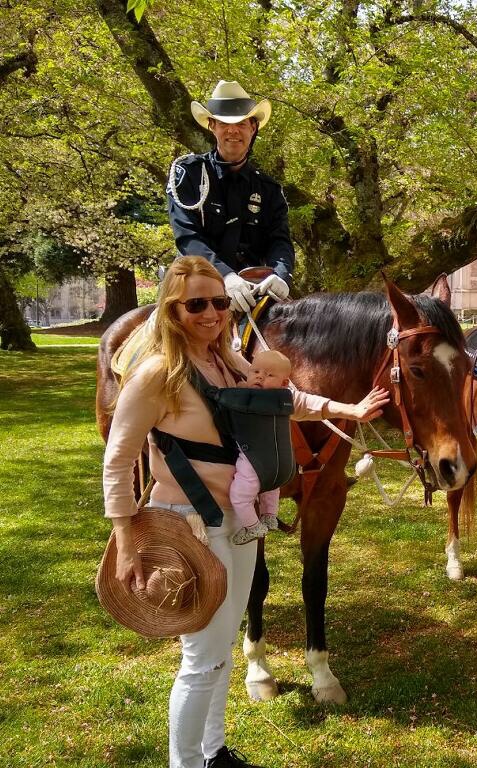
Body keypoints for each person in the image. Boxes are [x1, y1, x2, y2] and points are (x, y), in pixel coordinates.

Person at [103, 256, 389, 768]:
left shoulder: (228, 361)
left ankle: (214, 752)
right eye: (196, 304)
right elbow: (118, 460)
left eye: (218, 302)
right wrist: (126, 542)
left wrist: (349, 410)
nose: (211, 313)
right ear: (173, 308)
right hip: (189, 526)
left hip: (238, 522)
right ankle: (186, 763)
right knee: (201, 659)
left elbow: (284, 399)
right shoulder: (156, 375)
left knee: (221, 652)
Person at [167, 81, 293, 314]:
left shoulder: (269, 189)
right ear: (212, 126)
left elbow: (280, 241)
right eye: (224, 123)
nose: (233, 130)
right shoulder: (188, 174)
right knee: (164, 343)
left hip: (254, 290)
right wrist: (224, 276)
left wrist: (281, 275)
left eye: (241, 123)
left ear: (253, 128)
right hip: (194, 289)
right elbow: (187, 237)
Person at [229, 349, 294, 545]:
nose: (260, 376)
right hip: (281, 462)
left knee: (239, 496)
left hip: (254, 461)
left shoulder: (253, 398)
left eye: (269, 374)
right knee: (270, 488)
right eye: (255, 371)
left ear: (284, 383)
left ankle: (252, 526)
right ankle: (270, 516)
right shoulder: (284, 398)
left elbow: (230, 399)